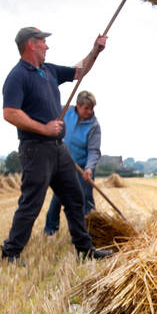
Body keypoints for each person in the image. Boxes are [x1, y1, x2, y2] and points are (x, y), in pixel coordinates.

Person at [0, 26, 112, 262]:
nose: (47, 46)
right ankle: (11, 253)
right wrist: (43, 128)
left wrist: (96, 51)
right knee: (31, 203)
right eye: (43, 42)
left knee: (74, 197)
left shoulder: (48, 71)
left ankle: (85, 250)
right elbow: (10, 113)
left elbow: (78, 71)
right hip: (35, 148)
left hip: (58, 149)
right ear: (31, 44)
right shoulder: (18, 76)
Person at [44, 91, 101, 235]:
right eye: (86, 108)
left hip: (83, 167)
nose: (90, 111)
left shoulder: (94, 125)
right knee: (58, 197)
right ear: (78, 105)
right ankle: (50, 230)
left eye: (92, 108)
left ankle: (91, 231)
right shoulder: (65, 112)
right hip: (62, 163)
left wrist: (89, 168)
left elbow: (93, 150)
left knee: (86, 198)